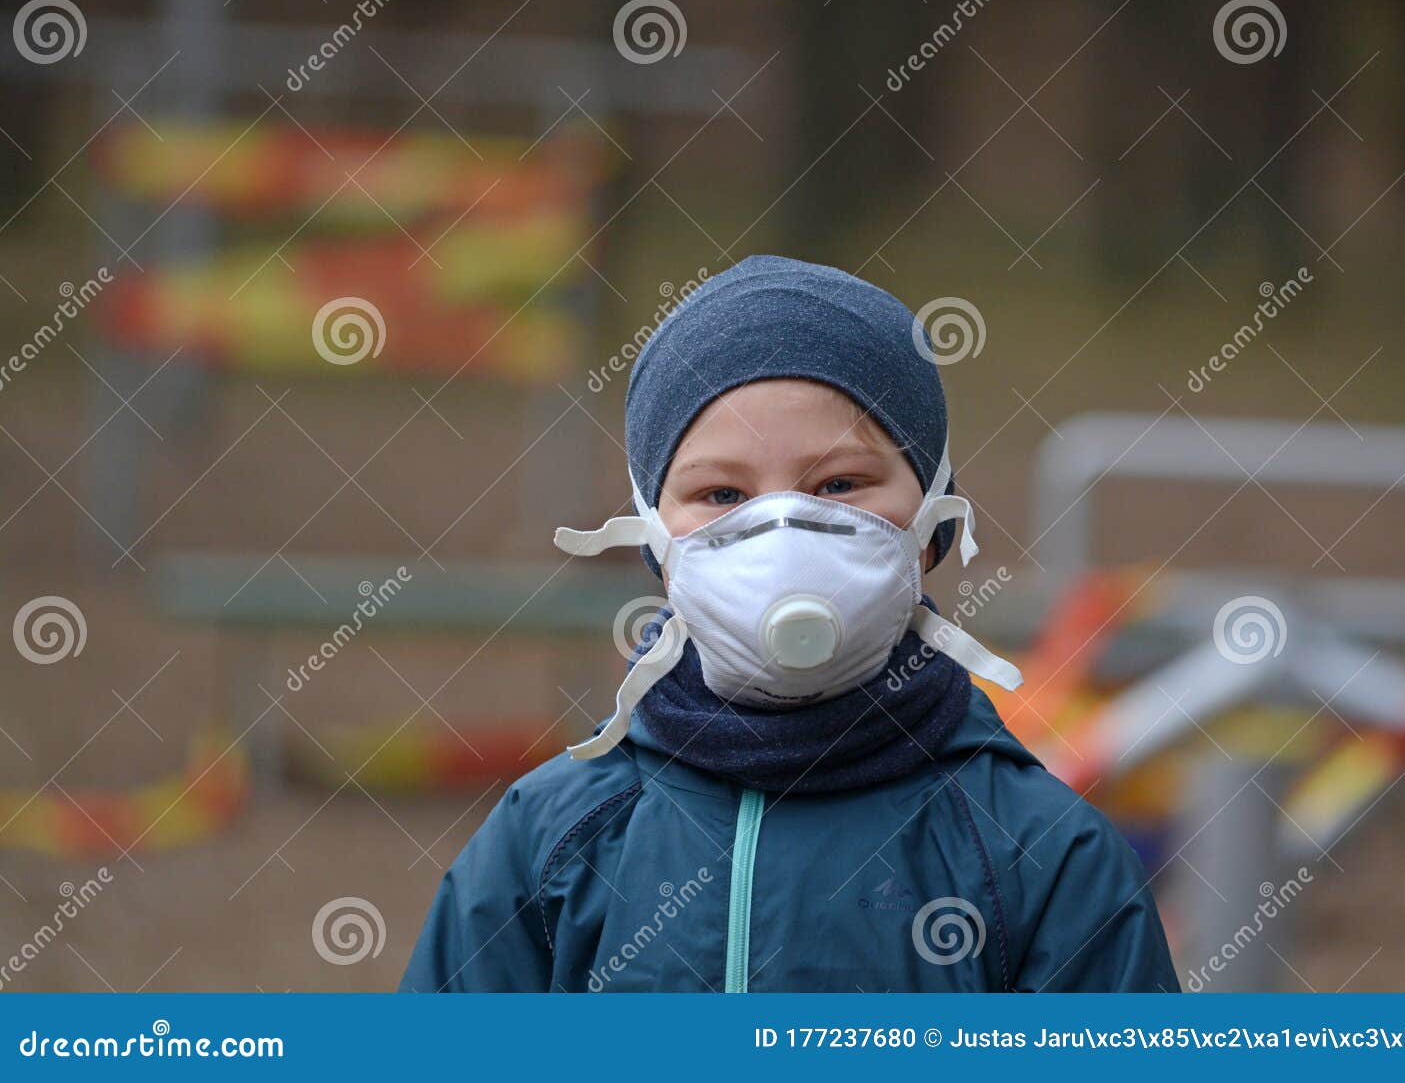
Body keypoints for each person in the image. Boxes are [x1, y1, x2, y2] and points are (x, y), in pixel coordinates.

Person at [400, 255, 1177, 992]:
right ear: (655, 542)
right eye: (723, 496)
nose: (784, 532)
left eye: (839, 483)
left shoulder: (1043, 855)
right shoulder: (551, 841)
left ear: (934, 521)